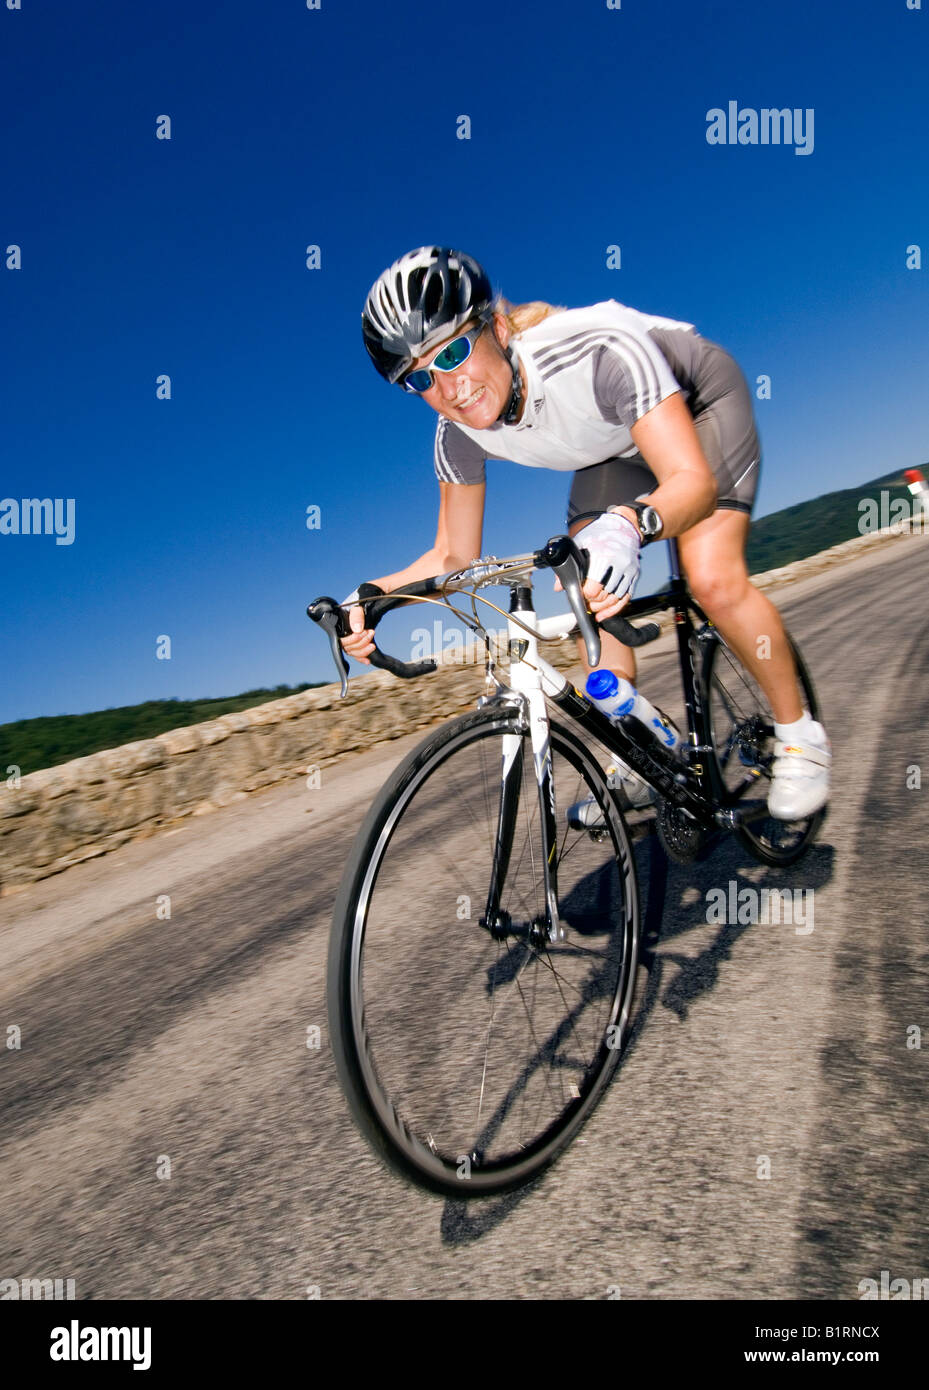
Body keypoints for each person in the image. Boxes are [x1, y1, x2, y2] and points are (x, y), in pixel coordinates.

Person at [342, 246, 830, 821]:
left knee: (712, 580)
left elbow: (690, 483)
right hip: (613, 446)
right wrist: (373, 597)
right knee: (584, 594)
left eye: (453, 351)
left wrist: (629, 523)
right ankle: (642, 754)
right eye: (420, 376)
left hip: (699, 407)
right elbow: (452, 555)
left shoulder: (596, 350)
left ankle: (800, 736)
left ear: (496, 327)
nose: (449, 388)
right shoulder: (456, 435)